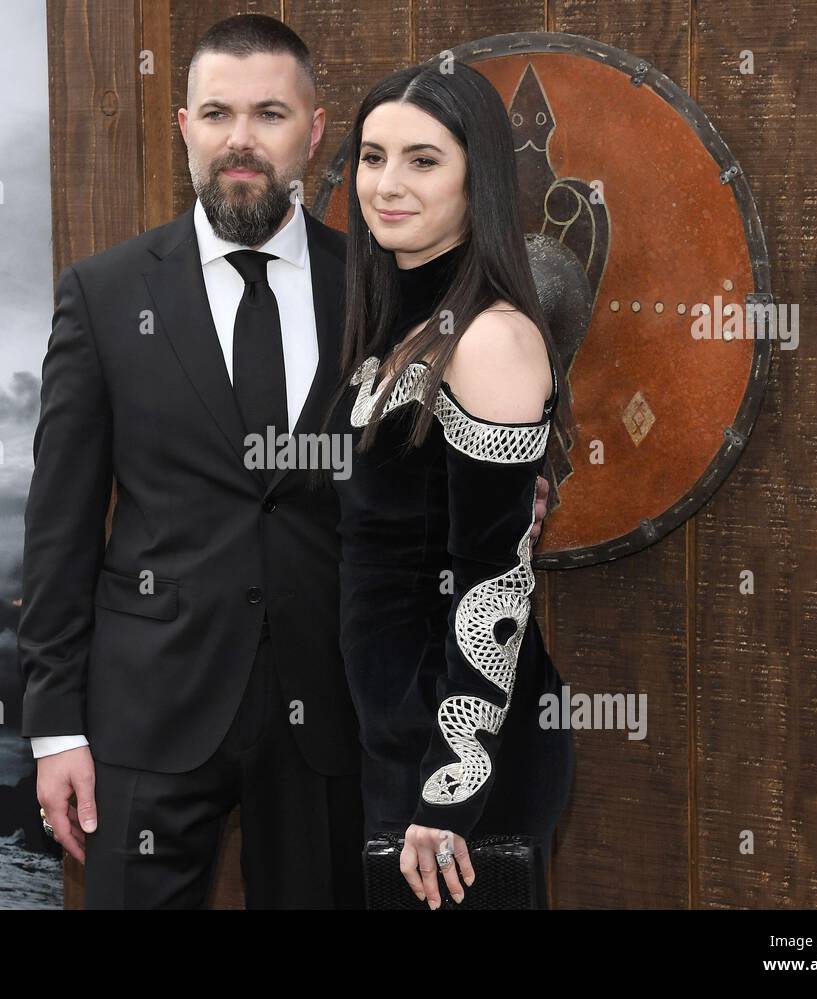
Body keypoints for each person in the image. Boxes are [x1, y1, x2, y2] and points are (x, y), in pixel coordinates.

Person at [20, 14, 547, 909]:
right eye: (217, 112)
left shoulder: (380, 286)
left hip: (337, 720)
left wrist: (512, 500)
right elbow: (58, 529)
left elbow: (460, 466)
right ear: (184, 127)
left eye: (269, 112)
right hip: (148, 716)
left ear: (312, 129)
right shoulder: (105, 297)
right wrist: (53, 729)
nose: (240, 138)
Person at [325, 61, 576, 910]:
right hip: (400, 736)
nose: (386, 184)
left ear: (481, 178)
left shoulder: (490, 338)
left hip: (457, 760)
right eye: (371, 157)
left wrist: (450, 788)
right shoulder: (396, 319)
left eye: (423, 160)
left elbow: (494, 584)